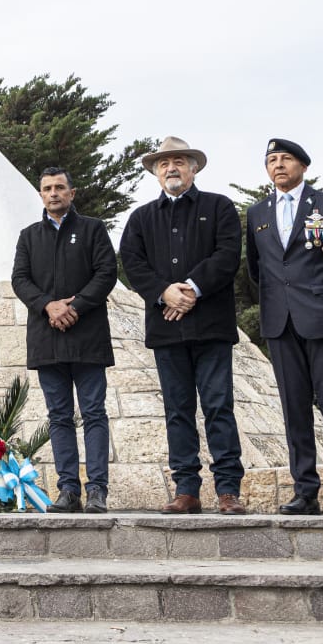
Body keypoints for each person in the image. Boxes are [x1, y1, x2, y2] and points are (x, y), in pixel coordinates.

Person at [121, 137, 248, 515]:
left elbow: (227, 255)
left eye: (178, 161)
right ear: (155, 173)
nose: (171, 168)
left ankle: (228, 490)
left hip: (211, 326)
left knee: (219, 406)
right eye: (163, 163)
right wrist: (165, 293)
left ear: (193, 168)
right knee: (177, 410)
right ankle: (186, 490)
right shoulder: (141, 218)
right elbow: (132, 263)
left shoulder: (219, 207)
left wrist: (191, 290)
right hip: (166, 328)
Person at [245, 138, 323, 517]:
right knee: (294, 409)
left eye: (286, 158)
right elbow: (257, 269)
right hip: (280, 321)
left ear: (304, 166)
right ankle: (304, 490)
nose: (278, 165)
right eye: (272, 160)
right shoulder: (257, 213)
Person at [10, 167, 118, 514]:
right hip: (47, 338)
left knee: (94, 413)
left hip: (88, 337)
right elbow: (20, 279)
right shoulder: (29, 236)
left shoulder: (93, 229)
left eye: (59, 187)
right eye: (47, 188)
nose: (53, 193)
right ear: (41, 195)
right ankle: (68, 490)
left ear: (72, 193)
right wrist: (48, 306)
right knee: (59, 416)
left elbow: (106, 273)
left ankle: (97, 489)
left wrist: (76, 306)